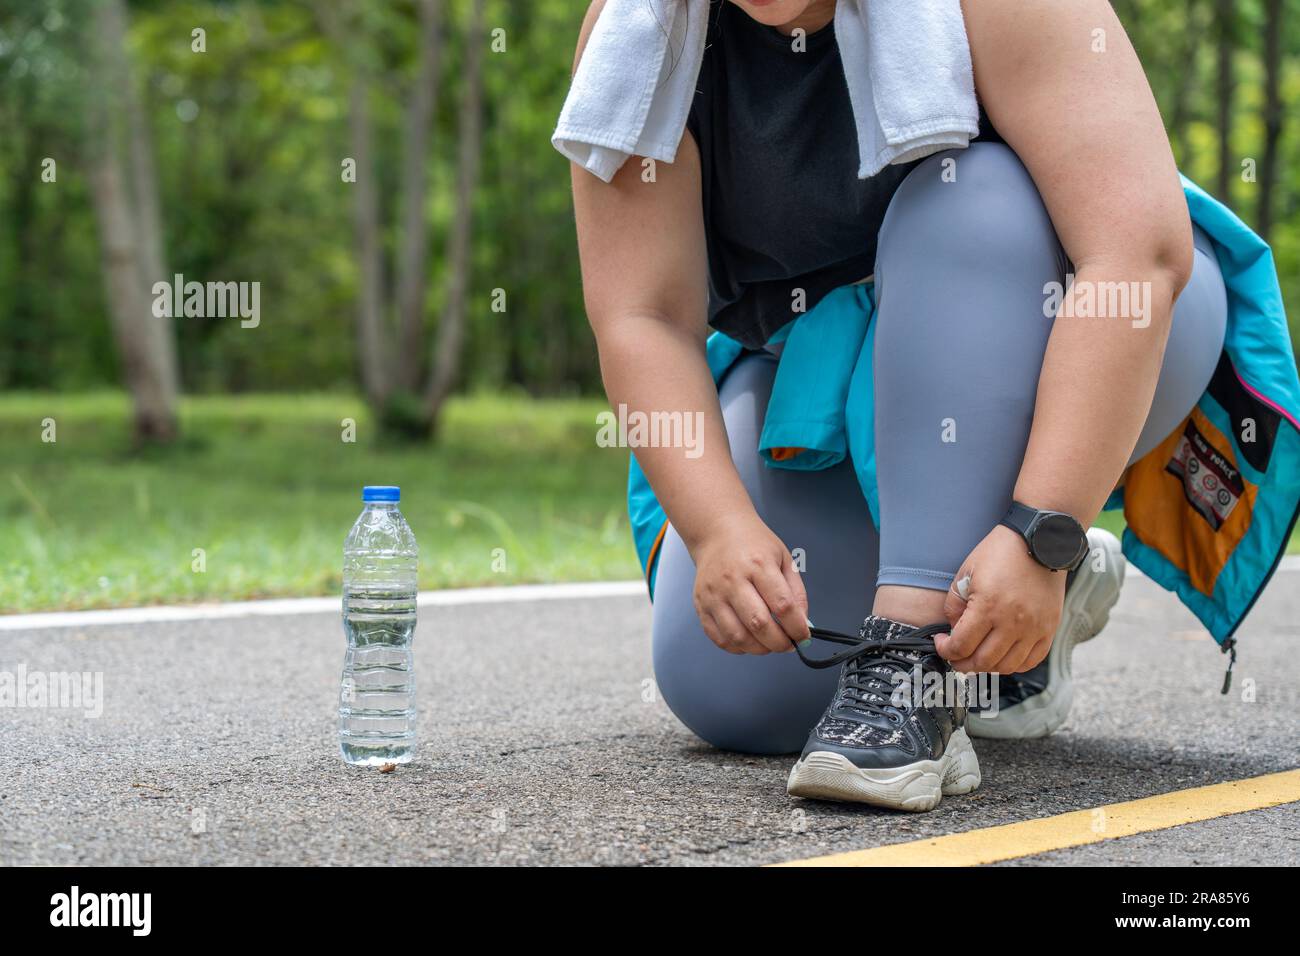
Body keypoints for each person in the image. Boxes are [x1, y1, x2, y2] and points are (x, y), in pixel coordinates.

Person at [564, 0, 1287, 811]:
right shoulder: (638, 26)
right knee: (732, 690)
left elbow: (1137, 259)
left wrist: (1041, 534)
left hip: (1084, 306)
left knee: (965, 190)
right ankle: (1001, 660)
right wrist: (718, 526)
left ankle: (920, 659)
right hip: (825, 372)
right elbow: (644, 317)